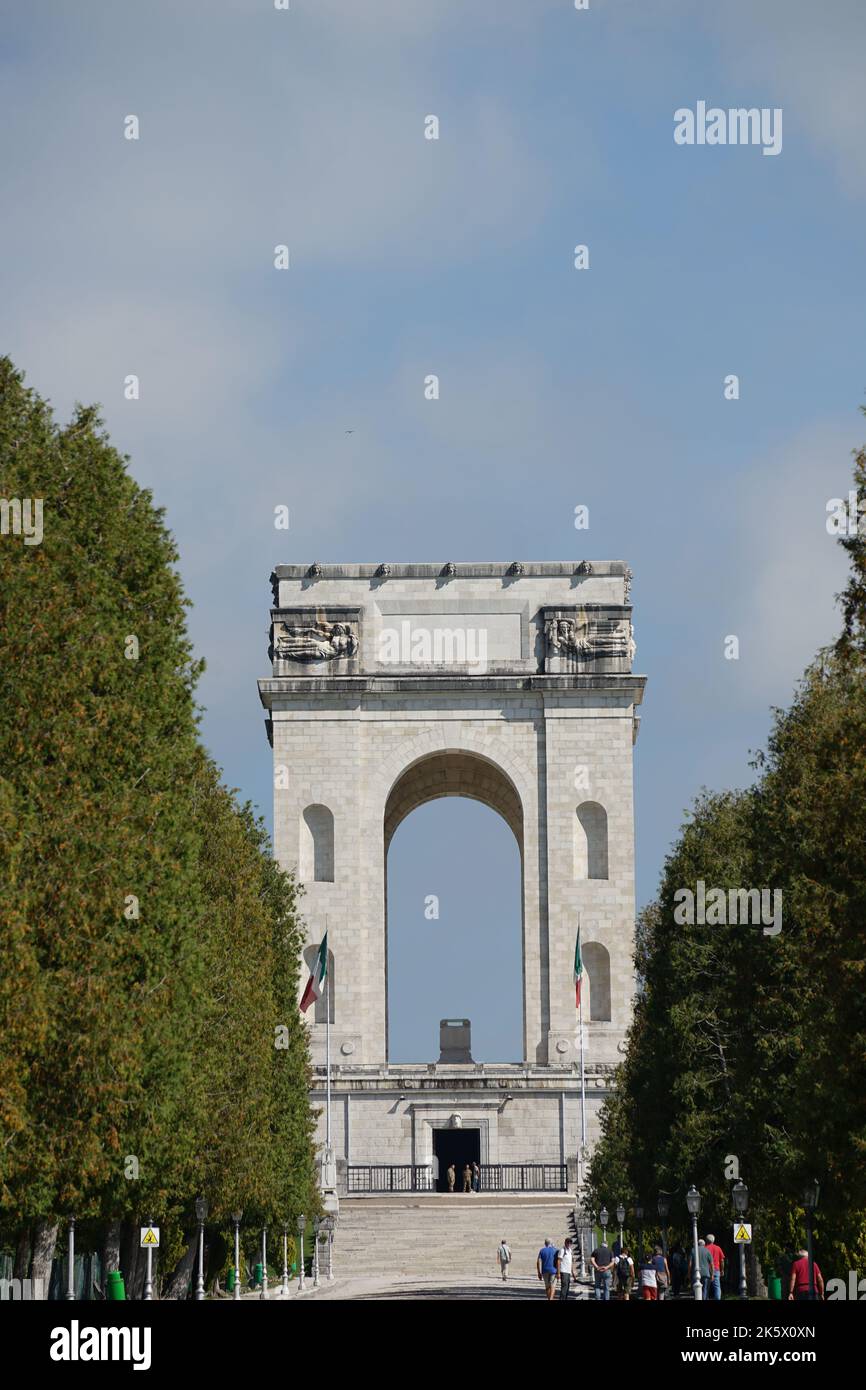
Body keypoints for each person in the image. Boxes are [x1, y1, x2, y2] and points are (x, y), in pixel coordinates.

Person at [704, 1234, 725, 1301]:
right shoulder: (718, 1248)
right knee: (717, 1287)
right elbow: (722, 1260)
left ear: (706, 1240)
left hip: (706, 1270)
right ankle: (717, 1298)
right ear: (713, 1240)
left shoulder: (704, 1248)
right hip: (716, 1270)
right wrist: (722, 1270)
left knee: (706, 1287)